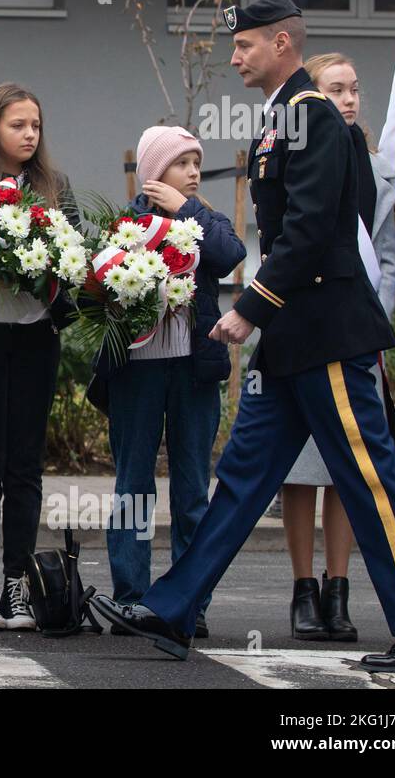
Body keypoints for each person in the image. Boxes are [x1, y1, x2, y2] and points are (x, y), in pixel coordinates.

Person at [92, 0, 395, 672]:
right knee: (241, 479)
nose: (234, 57)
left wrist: (251, 307)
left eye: (246, 45)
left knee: (372, 481)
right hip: (293, 337)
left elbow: (314, 227)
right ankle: (173, 609)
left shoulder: (309, 114)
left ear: (282, 43)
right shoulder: (283, 117)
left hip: (326, 331)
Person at [100, 125, 245, 640]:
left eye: (196, 162)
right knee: (133, 484)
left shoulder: (206, 218)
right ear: (154, 171)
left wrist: (189, 212)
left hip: (194, 368)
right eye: (182, 163)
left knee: (191, 488)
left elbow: (231, 256)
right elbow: (100, 286)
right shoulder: (125, 221)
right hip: (137, 370)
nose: (193, 172)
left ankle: (189, 600)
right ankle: (130, 598)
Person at [279, 52, 395, 642]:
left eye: (356, 89)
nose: (350, 100)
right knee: (302, 471)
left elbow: (388, 254)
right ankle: (304, 591)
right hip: (304, 331)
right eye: (337, 89)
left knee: (349, 471)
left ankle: (338, 588)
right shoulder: (297, 157)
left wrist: (377, 319)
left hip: (357, 332)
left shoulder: (379, 171)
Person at [0, 84, 79, 632]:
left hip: (34, 334)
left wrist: (49, 259)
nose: (29, 135)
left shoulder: (54, 186)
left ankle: (19, 583)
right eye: (17, 126)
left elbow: (74, 255)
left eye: (35, 126)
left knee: (25, 463)